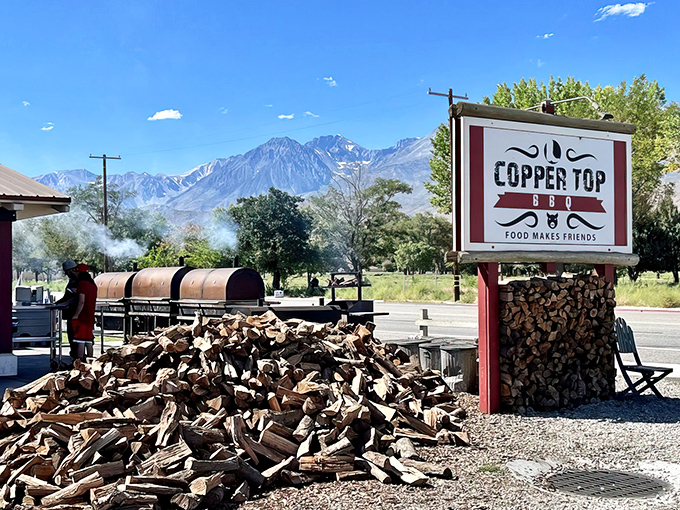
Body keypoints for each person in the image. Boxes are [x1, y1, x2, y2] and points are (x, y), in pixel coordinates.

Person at [71, 264, 98, 361]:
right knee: (89, 340)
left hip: (82, 316)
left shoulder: (82, 284)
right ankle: (91, 362)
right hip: (91, 315)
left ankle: (80, 362)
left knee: (80, 340)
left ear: (78, 272)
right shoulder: (93, 284)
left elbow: (81, 301)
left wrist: (76, 315)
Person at [54, 260, 79, 360]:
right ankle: (75, 355)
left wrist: (65, 303)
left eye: (68, 272)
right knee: (71, 336)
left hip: (75, 313)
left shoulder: (78, 282)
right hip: (71, 314)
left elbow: (76, 297)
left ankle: (77, 356)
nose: (67, 274)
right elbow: (67, 296)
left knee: (75, 337)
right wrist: (57, 303)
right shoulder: (72, 281)